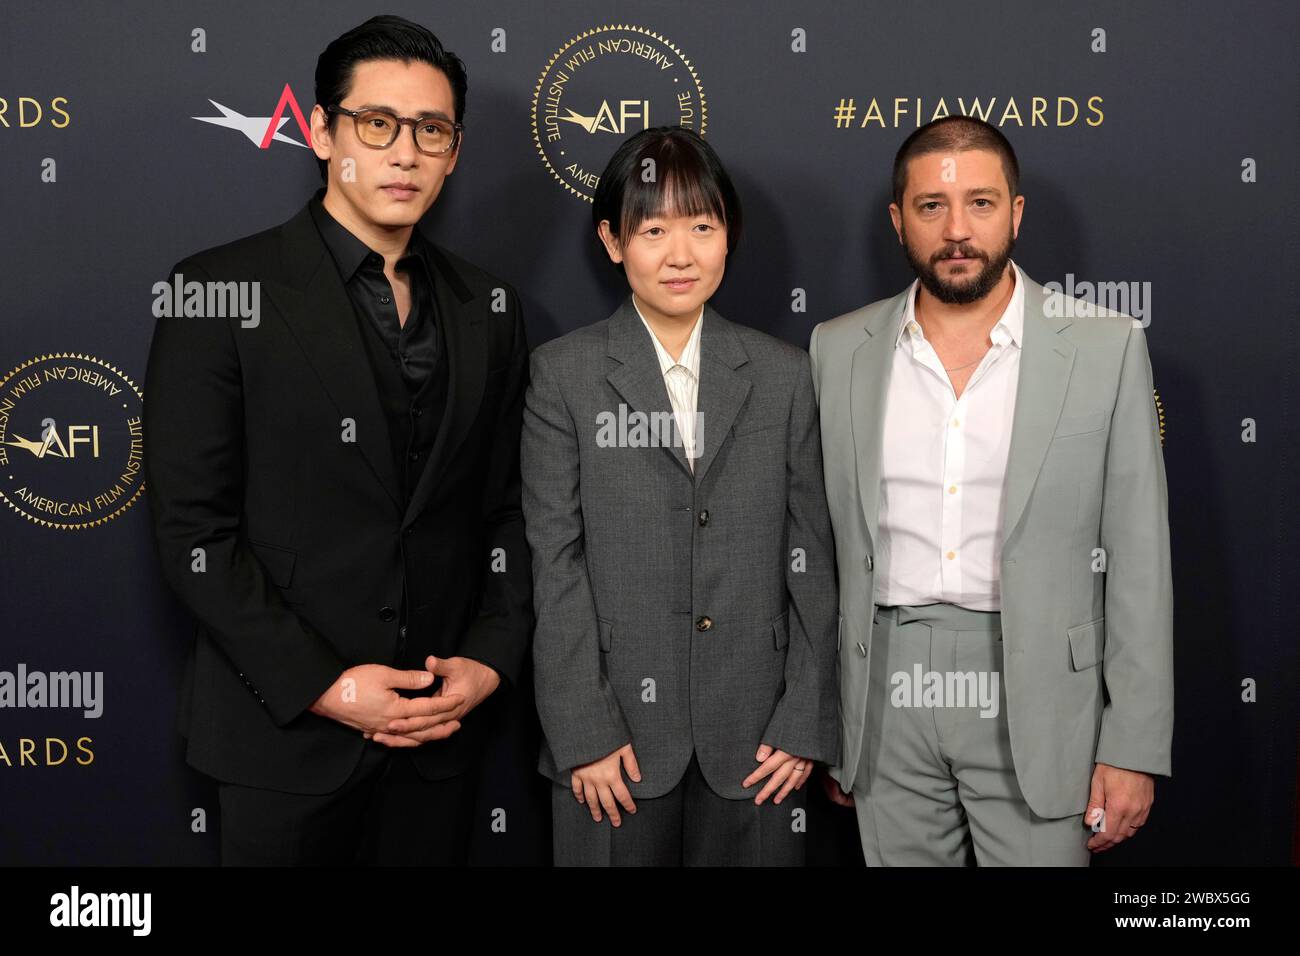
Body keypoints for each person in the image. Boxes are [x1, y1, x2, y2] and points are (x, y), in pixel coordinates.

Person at [143, 15, 532, 865]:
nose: (404, 153)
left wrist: (488, 662)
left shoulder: (489, 307)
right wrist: (326, 684)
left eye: (431, 131)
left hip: (438, 739)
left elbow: (508, 510)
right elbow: (192, 535)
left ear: (455, 151)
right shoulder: (215, 291)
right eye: (376, 124)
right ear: (321, 132)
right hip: (280, 743)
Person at [810, 115, 1173, 866]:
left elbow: (1139, 559)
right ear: (897, 220)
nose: (956, 230)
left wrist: (1134, 743)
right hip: (886, 685)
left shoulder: (1107, 346)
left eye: (980, 203)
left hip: (1040, 691)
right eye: (931, 206)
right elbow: (819, 545)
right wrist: (834, 722)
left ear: (1016, 211)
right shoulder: (838, 348)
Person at [521, 126, 839, 866]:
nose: (680, 253)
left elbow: (813, 560)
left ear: (729, 235)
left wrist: (803, 719)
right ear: (611, 240)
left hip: (759, 743)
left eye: (702, 226)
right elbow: (554, 562)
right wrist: (582, 730)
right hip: (612, 744)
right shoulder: (563, 377)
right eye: (653, 228)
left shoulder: (785, 375)